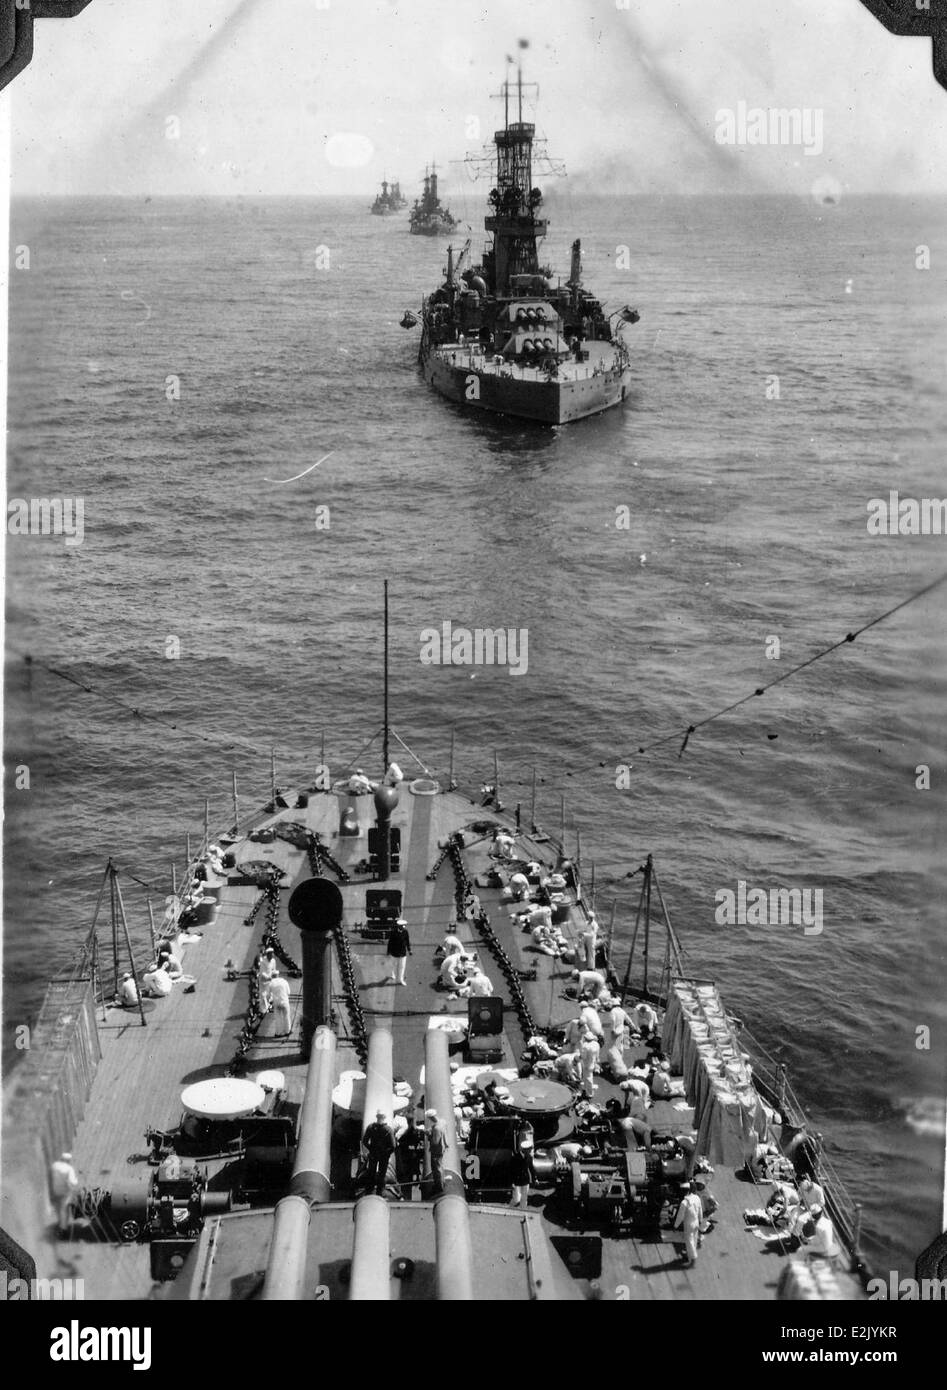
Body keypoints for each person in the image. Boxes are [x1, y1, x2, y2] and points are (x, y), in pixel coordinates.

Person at [673, 1184, 708, 1267]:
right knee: (694, 1239)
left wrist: (675, 1226)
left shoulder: (684, 1202)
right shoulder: (696, 1198)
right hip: (696, 1222)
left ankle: (693, 1259)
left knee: (689, 1241)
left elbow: (680, 1216)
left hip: (688, 1224)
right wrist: (700, 1220)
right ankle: (690, 1255)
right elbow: (700, 1210)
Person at [363, 1110, 396, 1196]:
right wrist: (387, 1153)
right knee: (382, 1174)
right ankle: (380, 1192)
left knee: (371, 1172)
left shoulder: (370, 1127)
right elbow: (393, 1146)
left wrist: (371, 1149)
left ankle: (368, 1192)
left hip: (373, 1153)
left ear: (376, 1117)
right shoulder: (388, 1129)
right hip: (384, 1155)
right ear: (384, 1117)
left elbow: (365, 1141)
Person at [50, 1152, 79, 1235]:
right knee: (64, 1210)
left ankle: (59, 1224)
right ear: (68, 1160)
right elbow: (73, 1182)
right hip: (64, 1193)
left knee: (58, 1208)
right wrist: (76, 1180)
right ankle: (63, 1230)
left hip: (55, 1191)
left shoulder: (54, 1166)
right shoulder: (69, 1169)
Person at [396, 1115, 425, 1199]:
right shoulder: (416, 1132)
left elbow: (401, 1145)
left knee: (407, 1181)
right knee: (411, 1177)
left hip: (408, 1159)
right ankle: (409, 1196)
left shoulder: (405, 1134)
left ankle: (407, 1197)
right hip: (413, 1158)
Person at [510, 1117, 535, 1210]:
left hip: (525, 1180)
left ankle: (523, 1212)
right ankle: (510, 1208)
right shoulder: (515, 1157)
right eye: (529, 1150)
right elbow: (511, 1170)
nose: (530, 1151)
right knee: (516, 1199)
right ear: (525, 1150)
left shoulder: (529, 1157)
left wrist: (534, 1178)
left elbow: (531, 1168)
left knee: (524, 1199)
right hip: (517, 1181)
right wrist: (512, 1182)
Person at [426, 1109, 449, 1194]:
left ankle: (439, 1187)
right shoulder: (443, 1122)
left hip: (436, 1150)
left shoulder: (436, 1128)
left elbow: (435, 1142)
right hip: (442, 1147)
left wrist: (429, 1135)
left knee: (436, 1168)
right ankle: (442, 1182)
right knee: (440, 1166)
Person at [384, 917, 412, 986]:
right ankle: (392, 974)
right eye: (402, 926)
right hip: (394, 953)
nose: (403, 927)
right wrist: (388, 951)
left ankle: (400, 980)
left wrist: (409, 950)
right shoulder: (393, 932)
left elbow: (407, 941)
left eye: (404, 925)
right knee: (392, 965)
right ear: (399, 926)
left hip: (402, 953)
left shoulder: (405, 932)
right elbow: (390, 942)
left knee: (402, 967)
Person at [268, 971, 292, 1036]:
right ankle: (287, 1031)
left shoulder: (271, 983)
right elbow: (288, 992)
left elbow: (268, 995)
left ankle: (278, 1033)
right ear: (278, 975)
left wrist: (270, 1001)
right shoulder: (284, 981)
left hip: (277, 1002)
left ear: (272, 976)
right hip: (284, 1001)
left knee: (278, 1018)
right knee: (286, 1016)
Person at [579, 1029, 600, 1097]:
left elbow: (583, 1056)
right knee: (587, 1077)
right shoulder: (596, 1044)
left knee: (588, 1078)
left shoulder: (585, 1046)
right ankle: (585, 1088)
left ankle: (589, 1093)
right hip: (593, 1063)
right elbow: (597, 1054)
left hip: (586, 1064)